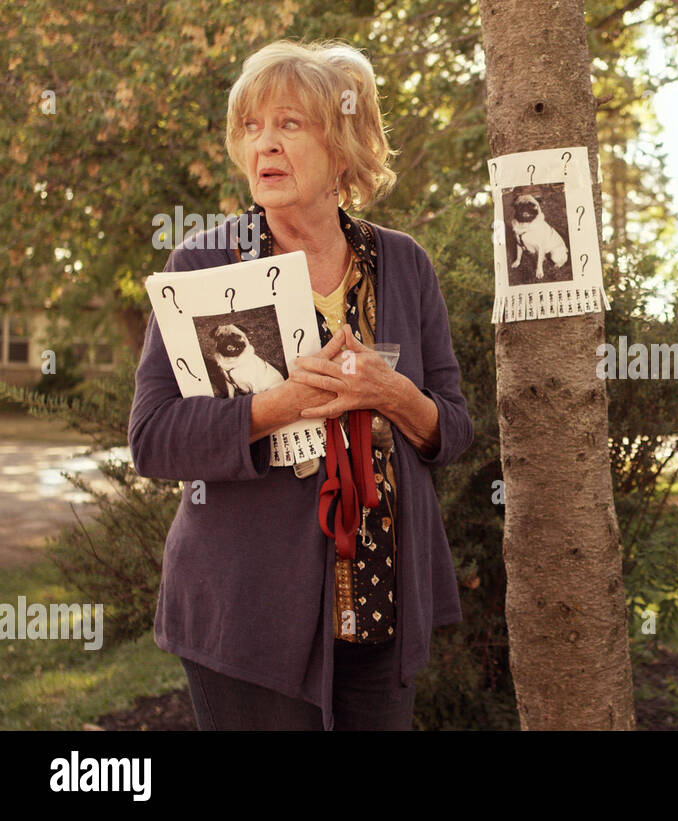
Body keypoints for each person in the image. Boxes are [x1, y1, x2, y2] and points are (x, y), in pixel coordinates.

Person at [128, 40, 473, 730]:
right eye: (252, 127)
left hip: (381, 601)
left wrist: (396, 395)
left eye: (289, 125)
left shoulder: (403, 263)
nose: (265, 145)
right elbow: (152, 437)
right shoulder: (204, 263)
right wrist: (278, 406)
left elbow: (455, 427)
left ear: (342, 148)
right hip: (248, 612)